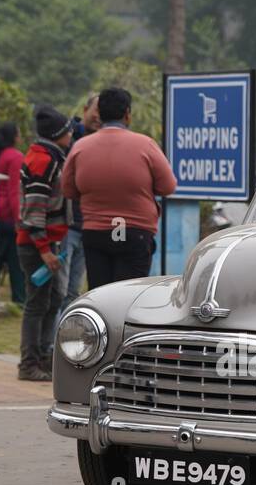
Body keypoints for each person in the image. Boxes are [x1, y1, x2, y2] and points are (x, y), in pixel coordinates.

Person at [62, 87, 177, 289]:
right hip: (134, 233)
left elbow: (69, 190)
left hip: (96, 233)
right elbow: (167, 186)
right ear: (127, 114)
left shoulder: (80, 147)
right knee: (128, 296)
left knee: (100, 294)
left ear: (99, 114)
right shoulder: (145, 145)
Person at [15, 105, 73, 382]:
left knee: (52, 300)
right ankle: (28, 364)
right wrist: (45, 250)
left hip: (49, 243)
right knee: (37, 304)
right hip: (38, 245)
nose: (72, 133)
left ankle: (44, 358)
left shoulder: (50, 157)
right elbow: (33, 211)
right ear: (58, 134)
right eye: (68, 130)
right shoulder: (43, 162)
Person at [57, 93, 100, 321]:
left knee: (74, 292)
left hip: (89, 227)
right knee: (60, 290)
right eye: (96, 111)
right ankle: (51, 347)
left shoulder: (105, 143)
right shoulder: (68, 137)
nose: (99, 117)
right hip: (66, 225)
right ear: (85, 110)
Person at [0, 122, 25, 305]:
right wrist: (19, 218)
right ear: (14, 137)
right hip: (8, 213)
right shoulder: (16, 157)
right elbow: (14, 190)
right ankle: (19, 298)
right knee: (15, 260)